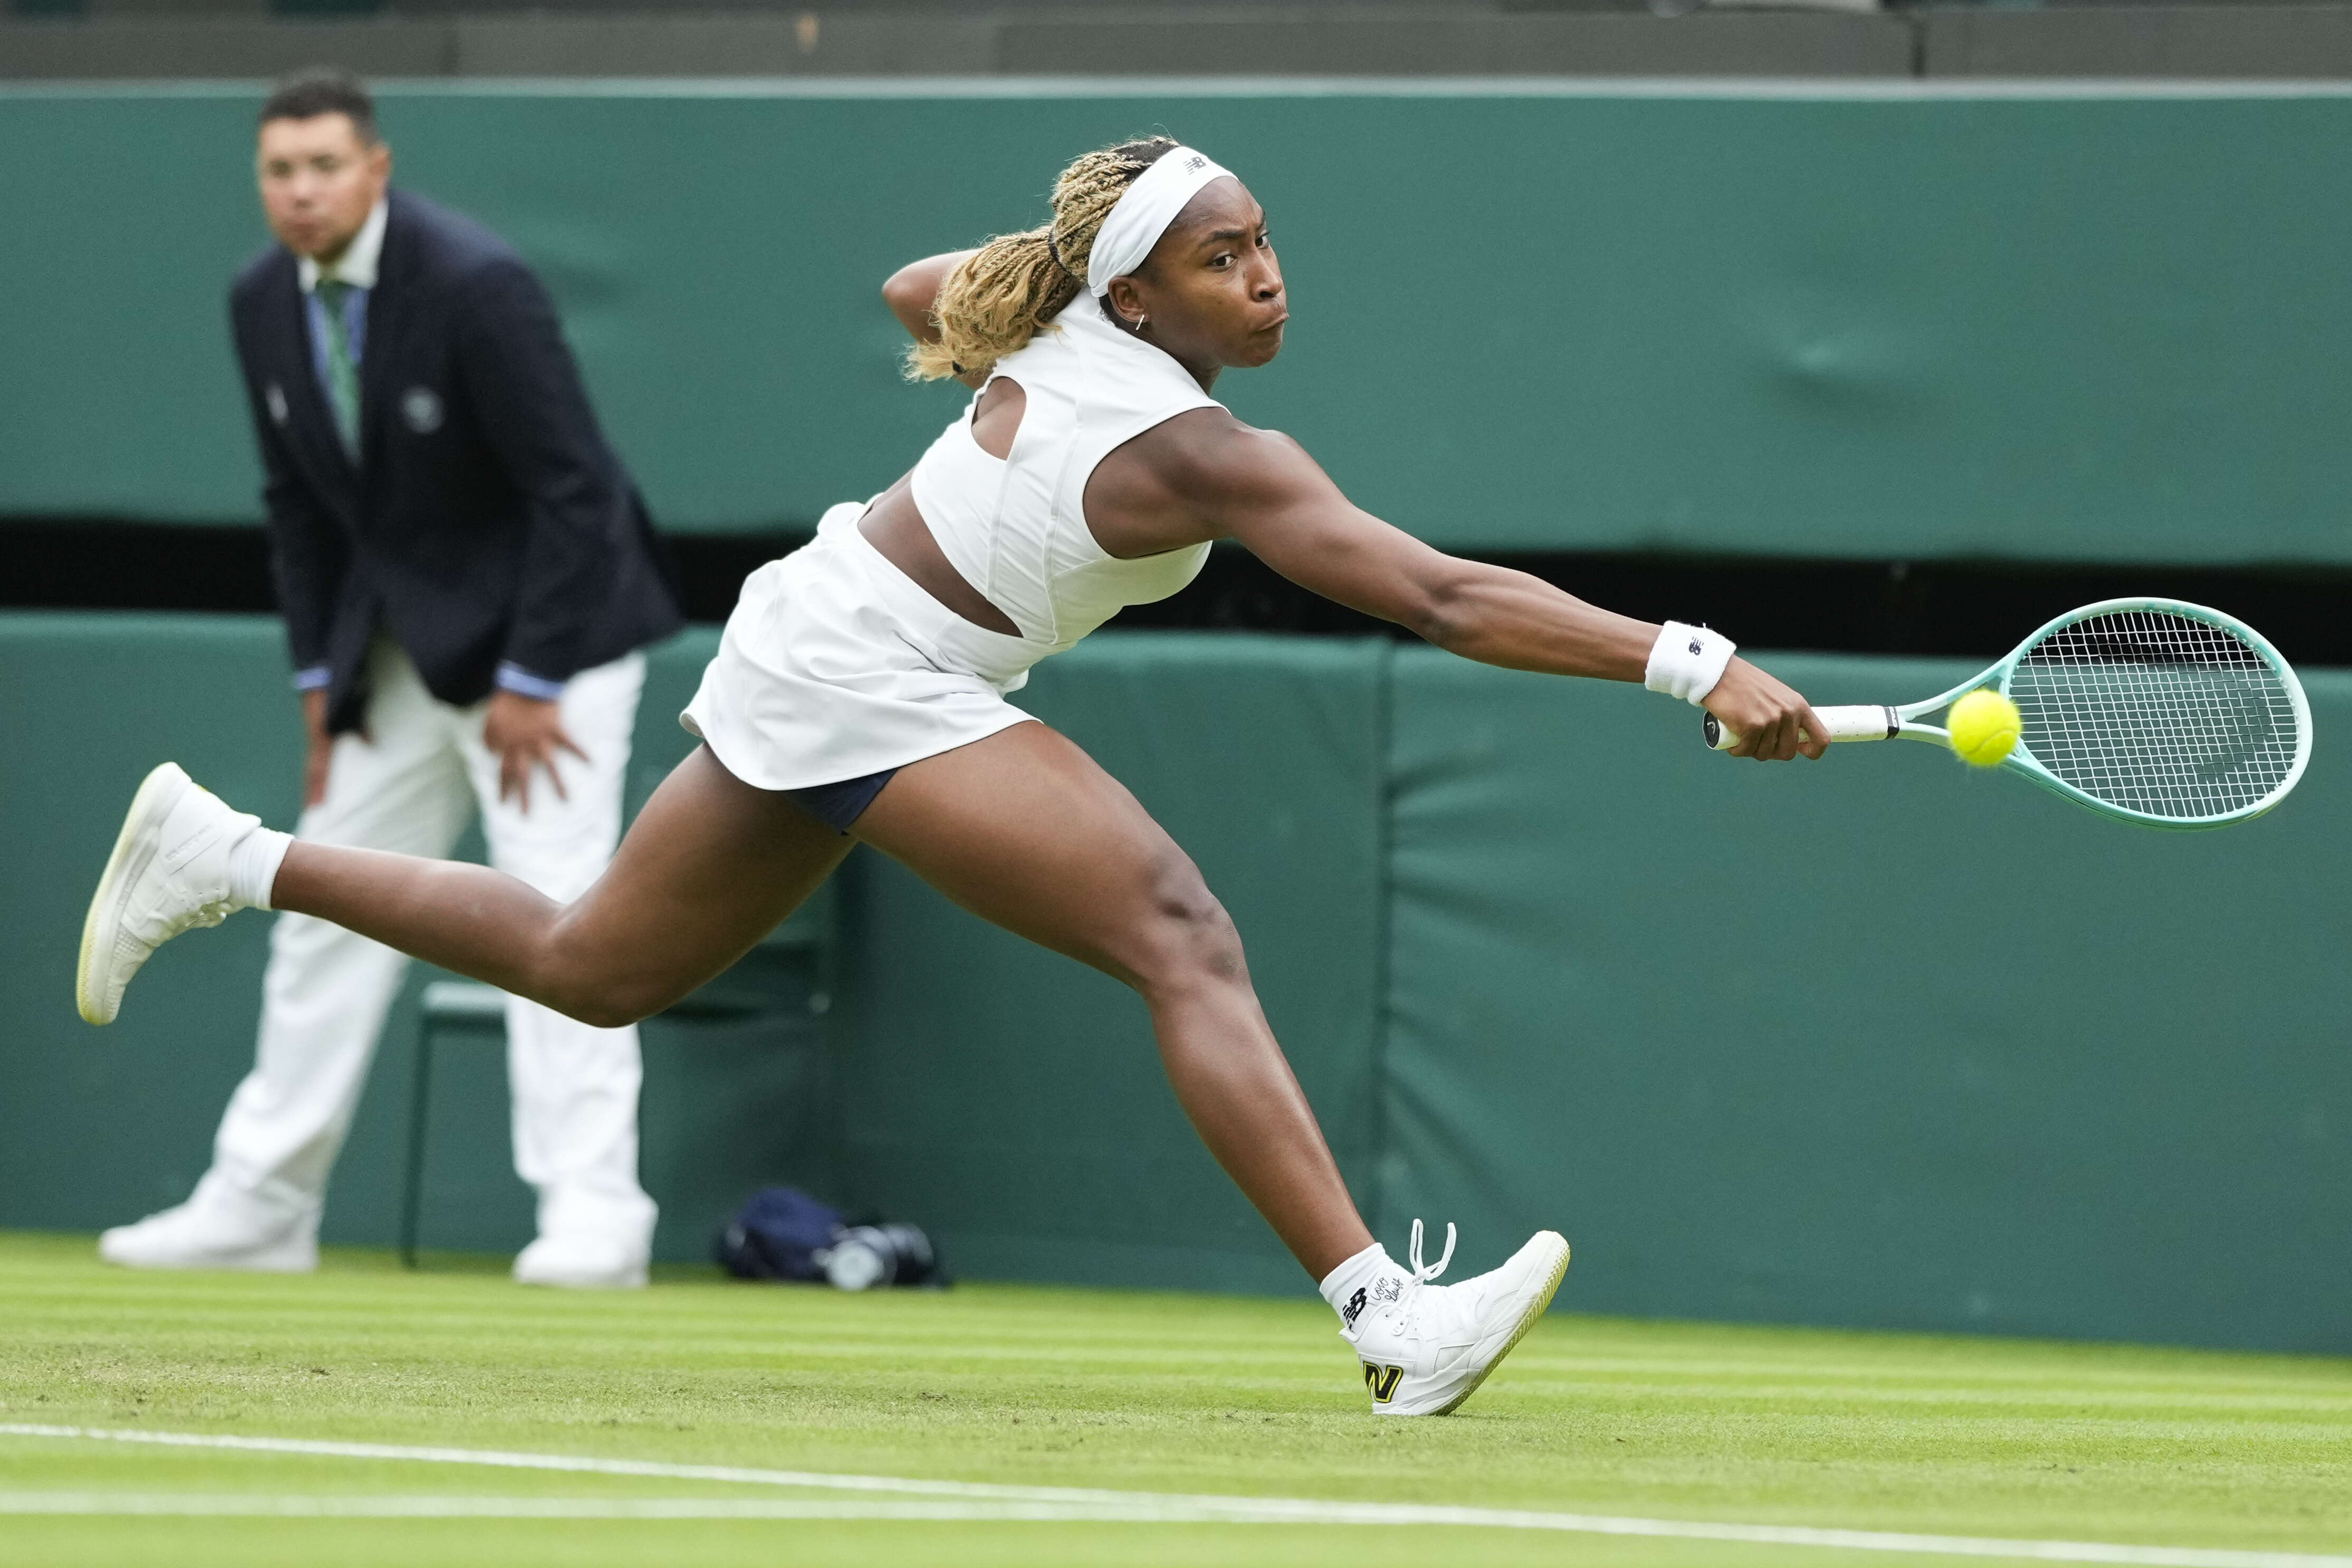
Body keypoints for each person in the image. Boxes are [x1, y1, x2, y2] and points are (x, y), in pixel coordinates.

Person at [78, 137, 1827, 1411]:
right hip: (867, 664)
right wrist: (1695, 663)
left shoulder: (1083, 338)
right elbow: (1443, 596)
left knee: (589, 967)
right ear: (1137, 295)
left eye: (1267, 239)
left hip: (830, 635)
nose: (1266, 274)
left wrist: (1077, 248)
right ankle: (1383, 1312)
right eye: (1221, 257)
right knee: (1176, 927)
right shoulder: (1202, 450)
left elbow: (924, 287)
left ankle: (225, 853)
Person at [92, 69, 683, 1290]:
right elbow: (298, 509)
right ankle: (260, 1206)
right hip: (396, 655)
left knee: (564, 913)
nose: (301, 191)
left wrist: (530, 678)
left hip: (548, 648)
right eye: (279, 171)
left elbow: (575, 486)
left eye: (323, 167)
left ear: (376, 168)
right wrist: (321, 679)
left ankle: (593, 1217)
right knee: (321, 915)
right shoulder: (262, 301)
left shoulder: (477, 284)